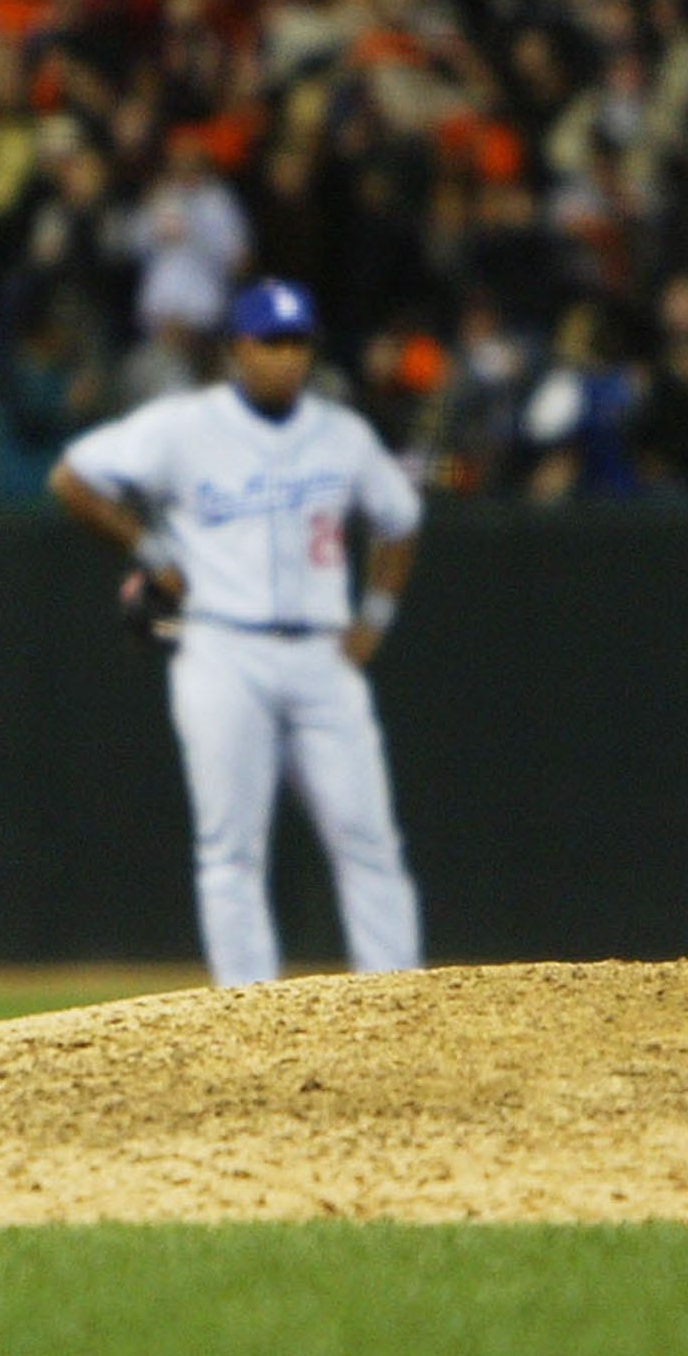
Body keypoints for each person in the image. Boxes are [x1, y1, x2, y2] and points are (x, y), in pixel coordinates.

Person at [49, 278, 424, 987]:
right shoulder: (184, 425)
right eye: (271, 342)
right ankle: (247, 1009)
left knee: (369, 839)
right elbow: (73, 476)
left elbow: (399, 519)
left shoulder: (342, 434)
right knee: (229, 848)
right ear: (237, 349)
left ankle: (397, 1000)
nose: (287, 357)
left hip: (321, 649)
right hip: (220, 646)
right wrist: (152, 550)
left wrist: (375, 616)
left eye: (298, 342)